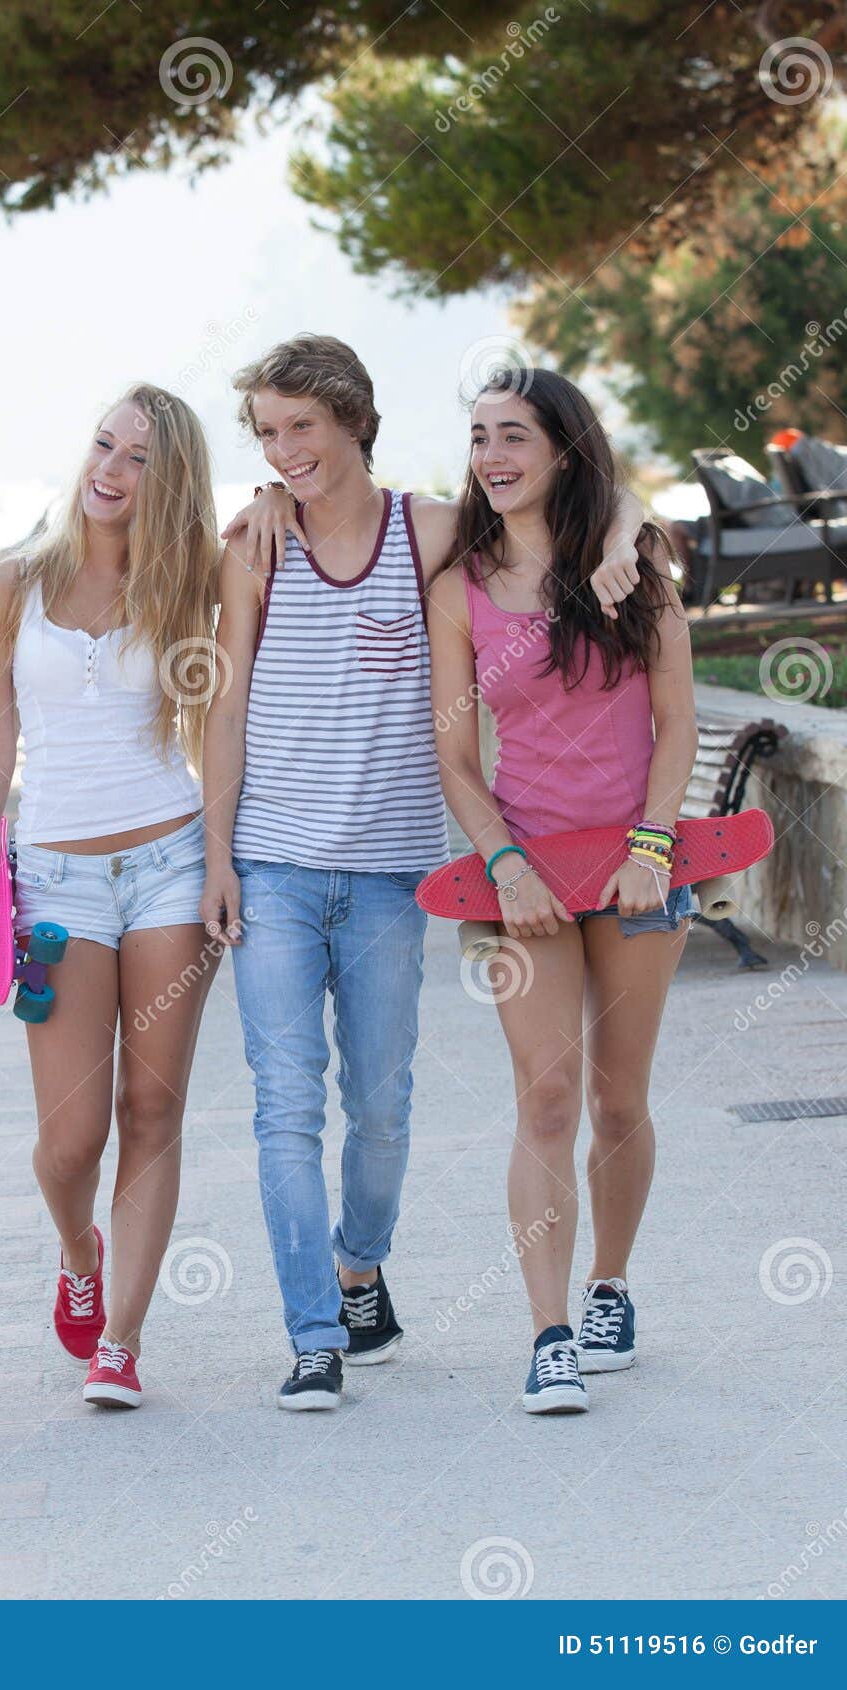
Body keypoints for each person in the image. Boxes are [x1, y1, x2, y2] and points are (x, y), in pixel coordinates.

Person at [203, 335, 647, 1411]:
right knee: (283, 1107)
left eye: (302, 427)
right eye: (266, 435)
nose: (286, 450)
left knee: (383, 1107)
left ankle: (361, 1265)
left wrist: (630, 526)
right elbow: (221, 706)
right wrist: (216, 856)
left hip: (396, 871)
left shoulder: (435, 535)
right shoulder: (254, 547)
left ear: (356, 420)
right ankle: (313, 1332)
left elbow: (581, 494)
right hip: (272, 863)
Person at [426, 366, 695, 1414]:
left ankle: (609, 1286)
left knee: (617, 1096)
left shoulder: (634, 572)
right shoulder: (461, 586)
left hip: (638, 865)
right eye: (480, 436)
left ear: (563, 451)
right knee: (543, 1093)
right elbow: (455, 756)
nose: (492, 456)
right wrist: (501, 860)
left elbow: (675, 722)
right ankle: (546, 1335)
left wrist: (653, 844)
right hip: (520, 870)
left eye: (514, 437)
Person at [0, 384, 222, 1410]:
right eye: (103, 445)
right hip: (56, 875)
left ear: (175, 479)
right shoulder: (10, 585)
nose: (109, 469)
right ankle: (79, 1252)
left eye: (140, 458)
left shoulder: (197, 582)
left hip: (169, 861)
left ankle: (121, 1340)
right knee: (70, 1138)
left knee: (151, 1106)